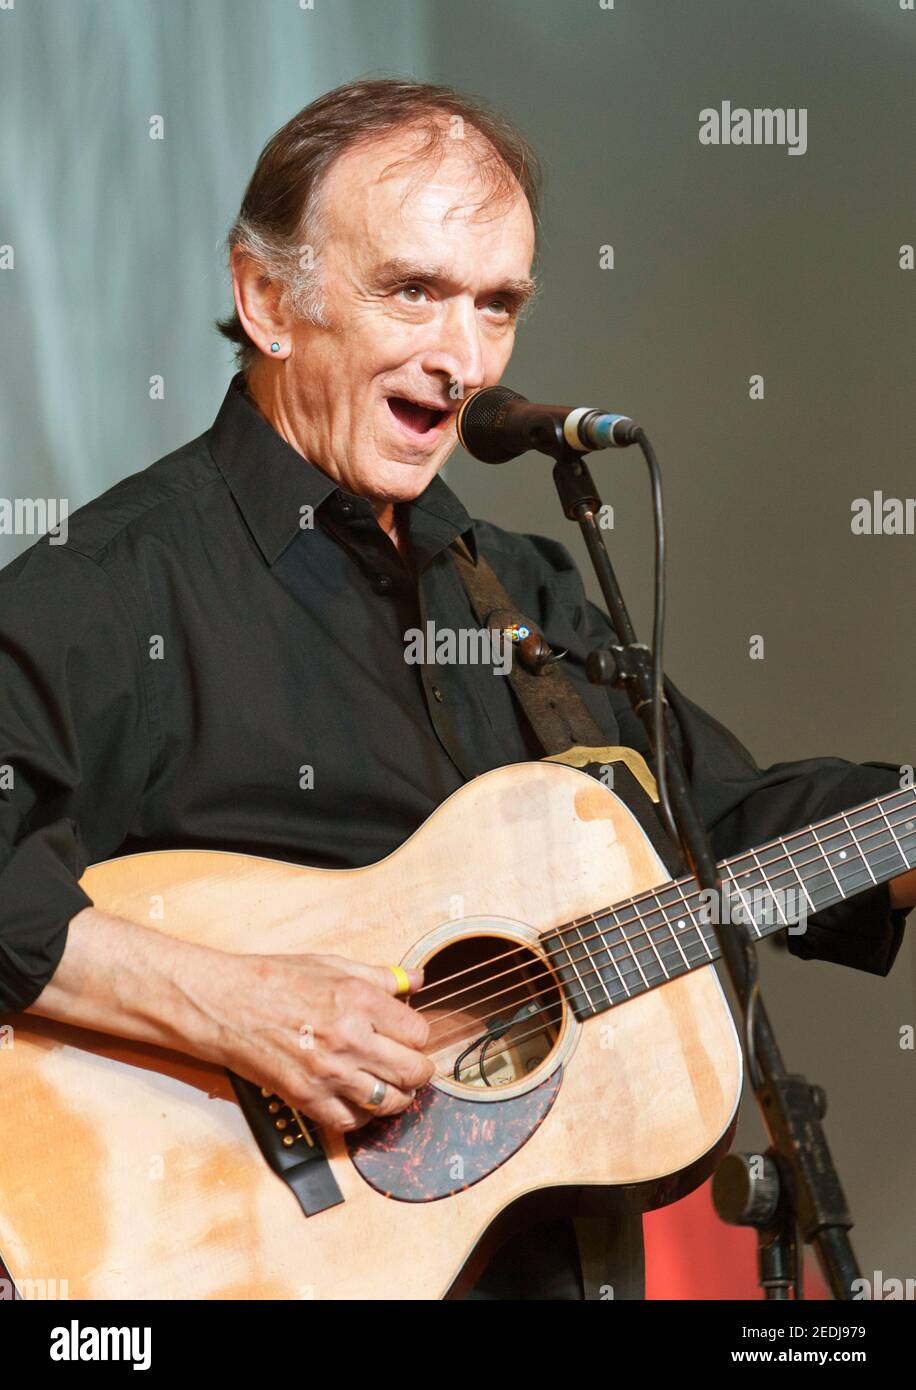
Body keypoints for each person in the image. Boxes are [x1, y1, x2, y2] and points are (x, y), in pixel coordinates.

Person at [0, 79, 911, 1300]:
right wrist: (238, 1008)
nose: (463, 358)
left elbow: (720, 832)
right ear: (268, 299)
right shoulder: (108, 588)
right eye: (413, 290)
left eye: (497, 305)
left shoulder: (524, 599)